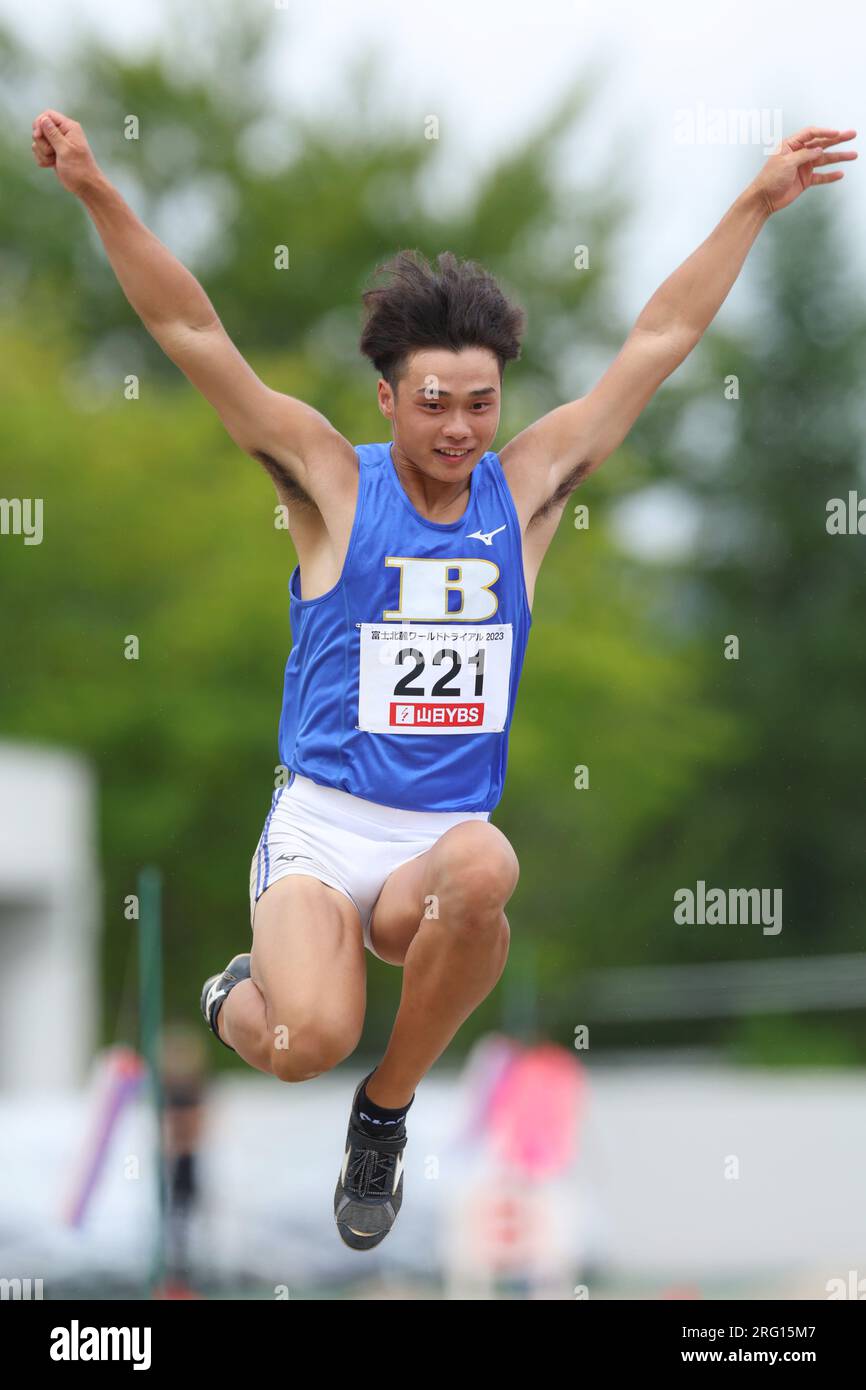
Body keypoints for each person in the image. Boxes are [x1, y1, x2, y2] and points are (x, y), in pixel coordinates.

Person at [32, 108, 856, 1250]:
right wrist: (94, 189)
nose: (461, 427)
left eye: (480, 402)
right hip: (324, 831)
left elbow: (659, 337)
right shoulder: (327, 482)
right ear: (386, 398)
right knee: (301, 1042)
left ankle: (386, 1114)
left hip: (432, 847)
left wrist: (753, 203)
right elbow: (190, 328)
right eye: (434, 403)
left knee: (488, 864)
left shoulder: (521, 494)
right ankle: (237, 996)